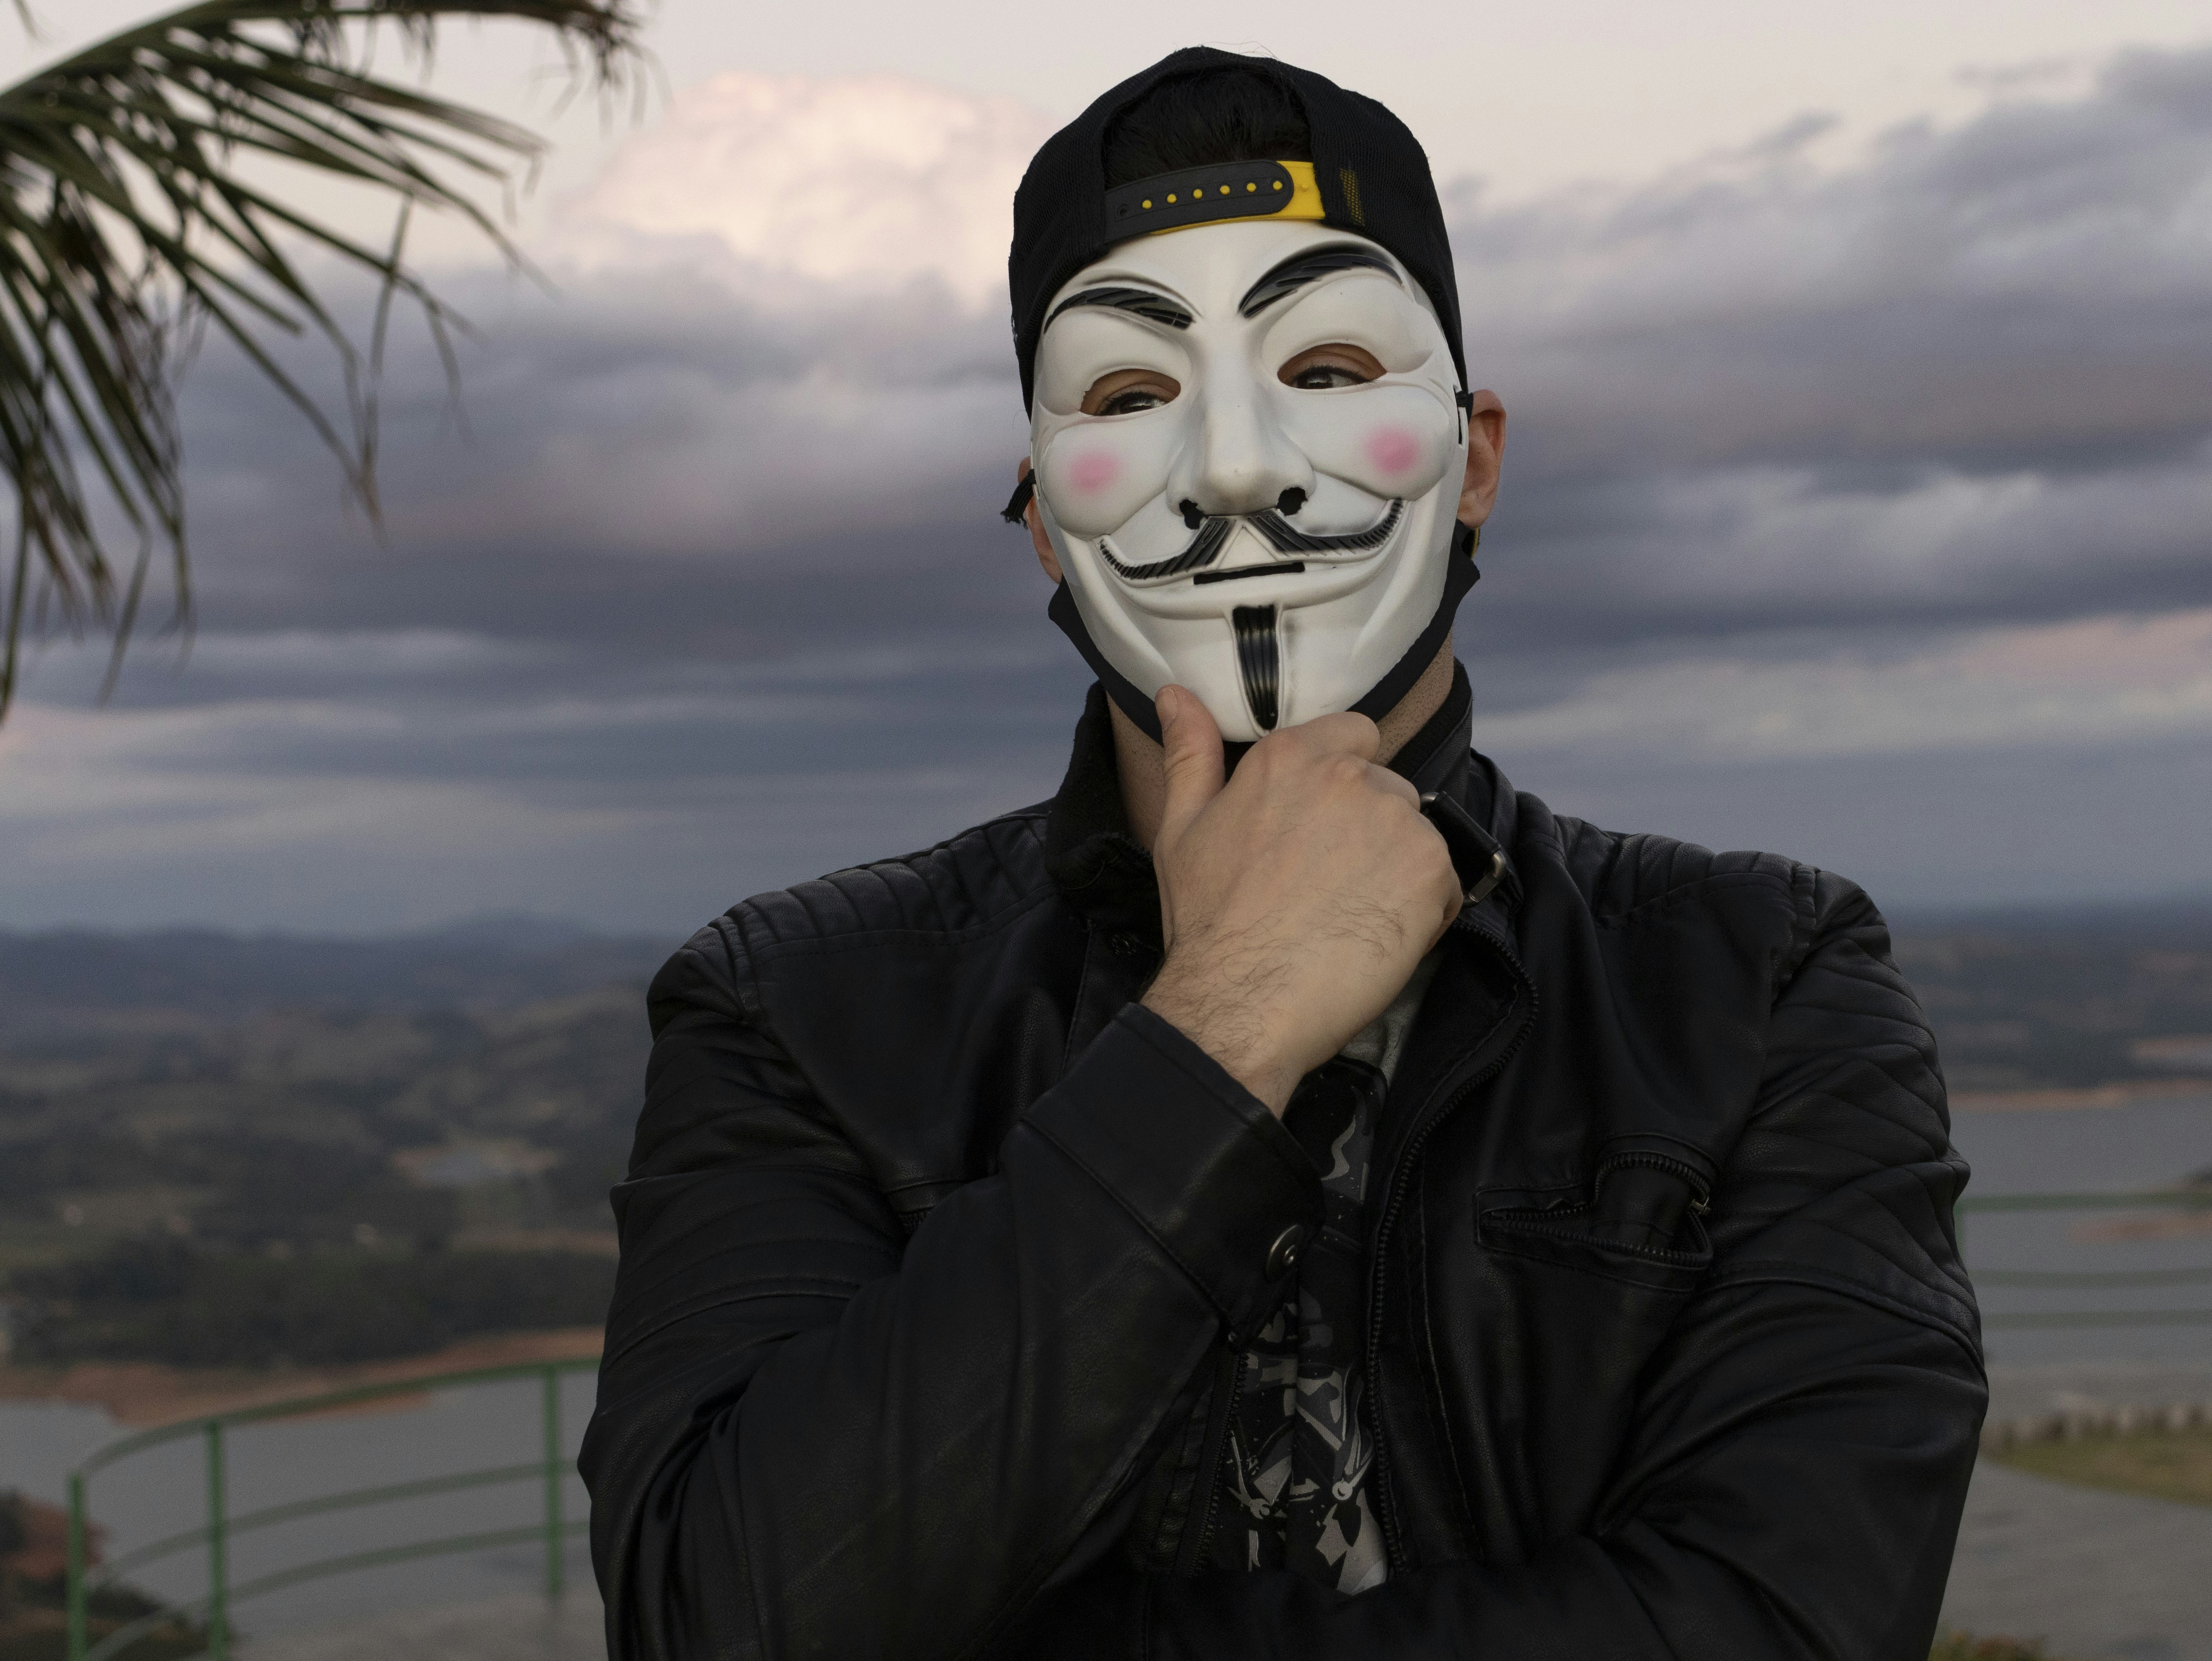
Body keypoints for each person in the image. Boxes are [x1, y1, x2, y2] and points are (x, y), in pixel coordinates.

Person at [580, 46, 1983, 1660]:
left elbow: (1794, 1614)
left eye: (1326, 367)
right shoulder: (792, 1012)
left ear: (1478, 457)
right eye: (1126, 396)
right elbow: (717, 1618)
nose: (1239, 466)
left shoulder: (1764, 982)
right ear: (1041, 513)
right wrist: (1221, 1029)